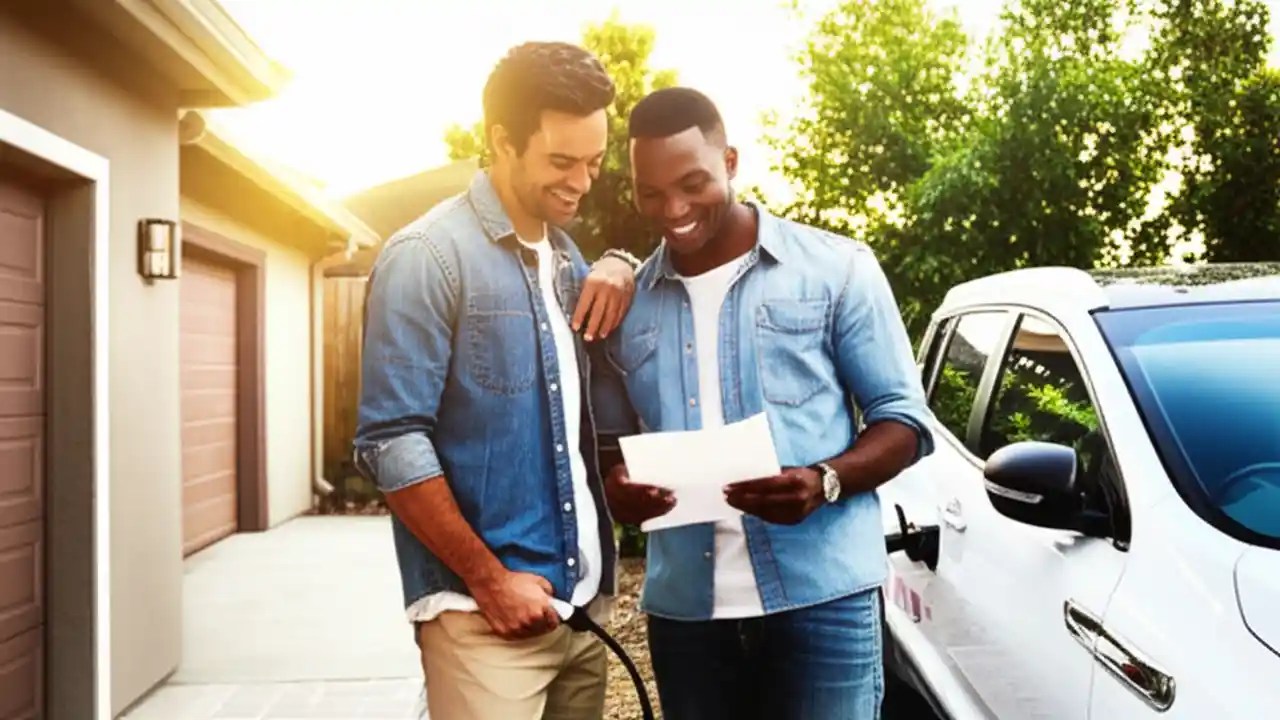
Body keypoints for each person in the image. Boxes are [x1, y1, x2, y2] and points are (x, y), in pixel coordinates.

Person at [599, 87, 935, 720]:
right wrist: (616, 486)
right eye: (651, 192)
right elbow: (608, 447)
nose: (672, 209)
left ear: (730, 161)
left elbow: (906, 421)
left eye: (692, 182)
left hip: (824, 601)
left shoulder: (837, 270)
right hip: (688, 617)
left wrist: (825, 480)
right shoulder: (628, 303)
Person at [352, 41, 641, 720]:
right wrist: (490, 581)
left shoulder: (570, 262)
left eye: (594, 162)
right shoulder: (427, 257)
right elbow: (391, 441)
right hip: (483, 621)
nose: (581, 181)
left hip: (578, 615)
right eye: (561, 162)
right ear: (501, 140)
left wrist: (624, 259)